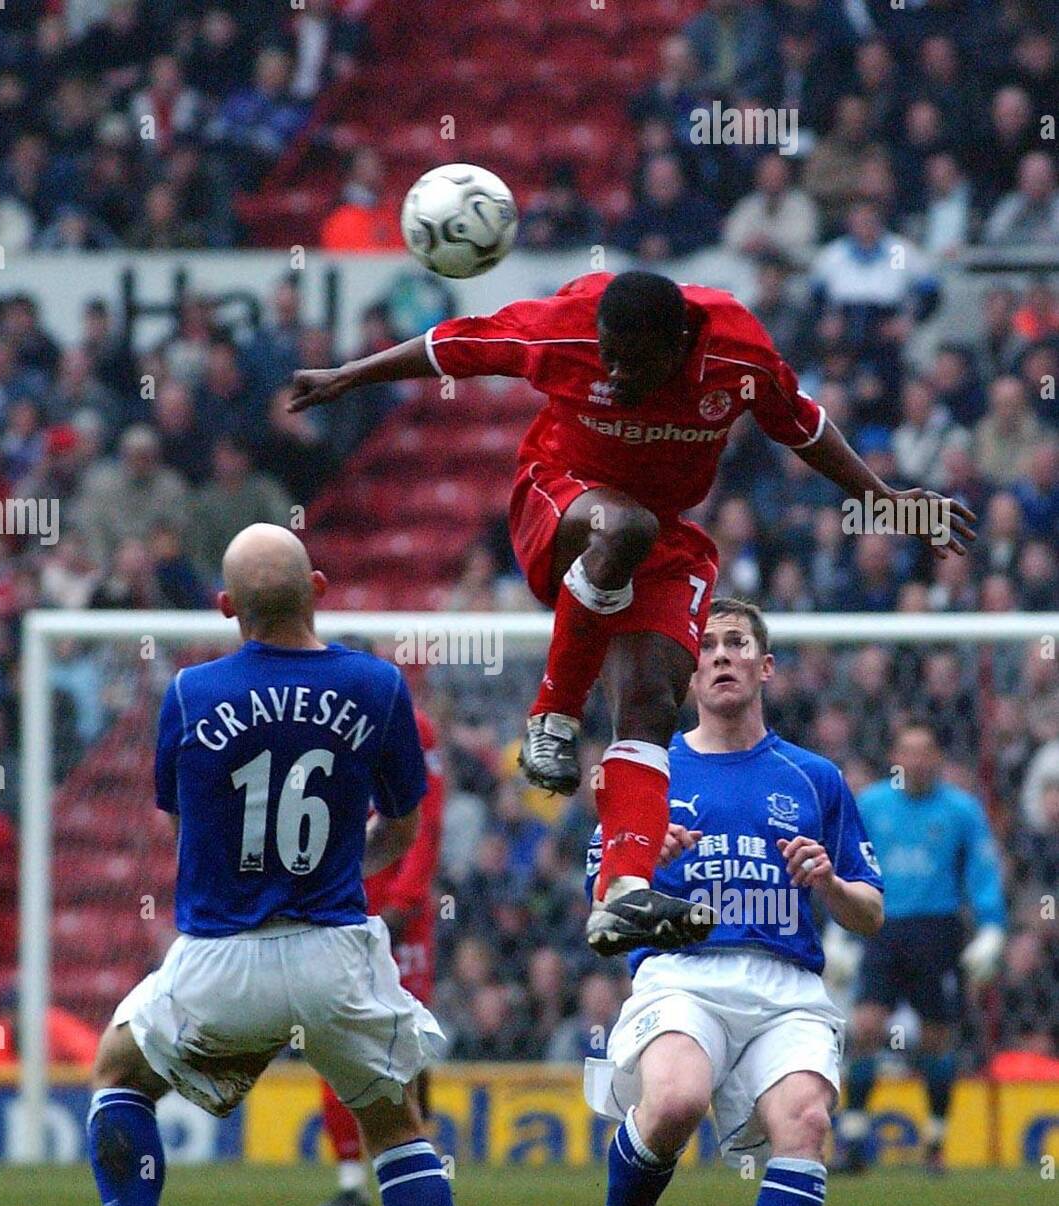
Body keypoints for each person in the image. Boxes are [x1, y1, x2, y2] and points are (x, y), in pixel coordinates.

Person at [287, 270, 971, 959]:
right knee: (626, 527)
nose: (612, 371)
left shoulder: (738, 353)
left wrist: (884, 500)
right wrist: (351, 373)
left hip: (663, 535)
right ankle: (551, 716)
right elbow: (458, 344)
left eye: (629, 358)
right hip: (561, 499)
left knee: (648, 702)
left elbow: (803, 427)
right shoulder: (566, 327)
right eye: (606, 354)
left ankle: (622, 890)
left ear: (675, 343)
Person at [87, 524, 456, 1206]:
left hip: (221, 955)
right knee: (393, 1124)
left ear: (225, 607)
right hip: (332, 950)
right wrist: (331, 867)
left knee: (119, 1073)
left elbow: (184, 826)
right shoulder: (378, 686)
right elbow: (402, 827)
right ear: (317, 588)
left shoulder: (191, 693)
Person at [578, 599, 884, 1206]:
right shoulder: (647, 775)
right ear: (688, 674)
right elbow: (601, 909)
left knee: (804, 1124)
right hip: (684, 973)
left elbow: (869, 912)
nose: (720, 654)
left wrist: (829, 882)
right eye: (707, 645)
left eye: (736, 643)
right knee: (676, 1100)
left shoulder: (814, 778)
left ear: (764, 666)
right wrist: (644, 860)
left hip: (787, 987)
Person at [836, 722, 1007, 1174]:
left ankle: (935, 1143)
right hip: (882, 928)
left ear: (938, 758)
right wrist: (838, 930)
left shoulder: (960, 810)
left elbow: (983, 871)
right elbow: (846, 864)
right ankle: (853, 1141)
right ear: (895, 757)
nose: (916, 760)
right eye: (907, 751)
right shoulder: (872, 804)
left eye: (925, 751)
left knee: (935, 1038)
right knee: (868, 1025)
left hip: (938, 930)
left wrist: (991, 927)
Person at [318, 663, 444, 1206]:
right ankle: (350, 1181)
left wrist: (405, 900)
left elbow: (427, 823)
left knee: (406, 1041)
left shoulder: (415, 729)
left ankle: (421, 1159)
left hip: (400, 917)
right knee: (329, 1037)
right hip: (339, 912)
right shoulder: (320, 726)